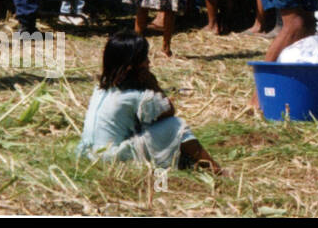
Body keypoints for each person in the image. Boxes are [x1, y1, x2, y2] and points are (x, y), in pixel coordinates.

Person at [78, 30, 219, 173]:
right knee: (176, 126)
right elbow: (169, 111)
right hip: (110, 159)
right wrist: (153, 84)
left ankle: (184, 160)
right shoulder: (135, 96)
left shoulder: (100, 88)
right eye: (144, 58)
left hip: (88, 154)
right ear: (131, 66)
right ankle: (215, 169)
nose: (148, 62)